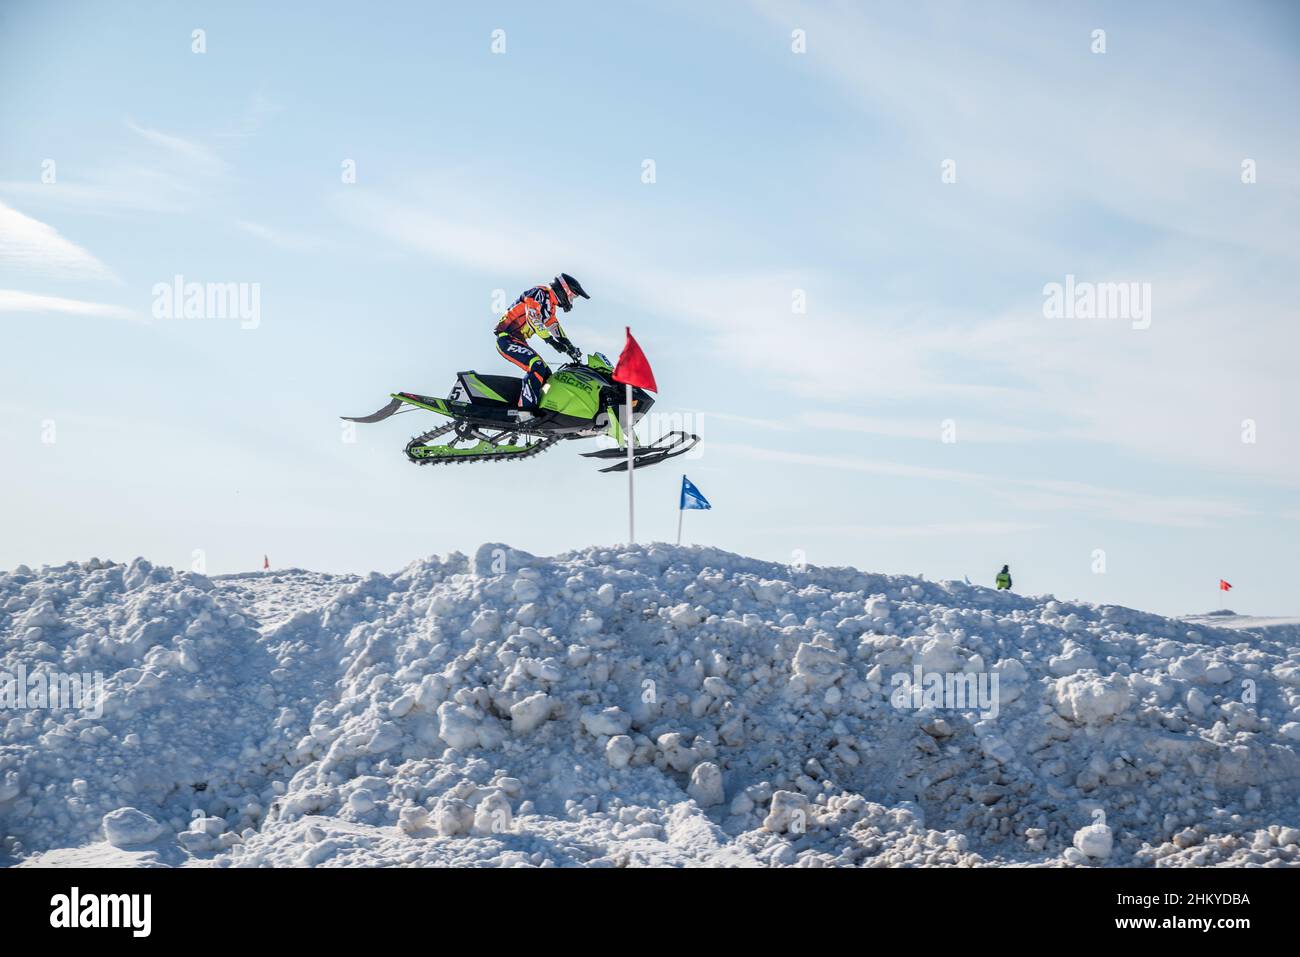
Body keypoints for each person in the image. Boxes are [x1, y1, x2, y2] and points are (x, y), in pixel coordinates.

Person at [494, 273, 590, 409]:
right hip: (506, 338)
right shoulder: (539, 293)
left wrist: (569, 346)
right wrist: (551, 341)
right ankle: (525, 410)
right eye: (572, 296)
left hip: (517, 341)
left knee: (547, 375)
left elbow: (553, 326)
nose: (571, 300)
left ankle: (544, 410)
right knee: (537, 366)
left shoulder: (550, 305)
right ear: (564, 290)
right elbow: (532, 318)